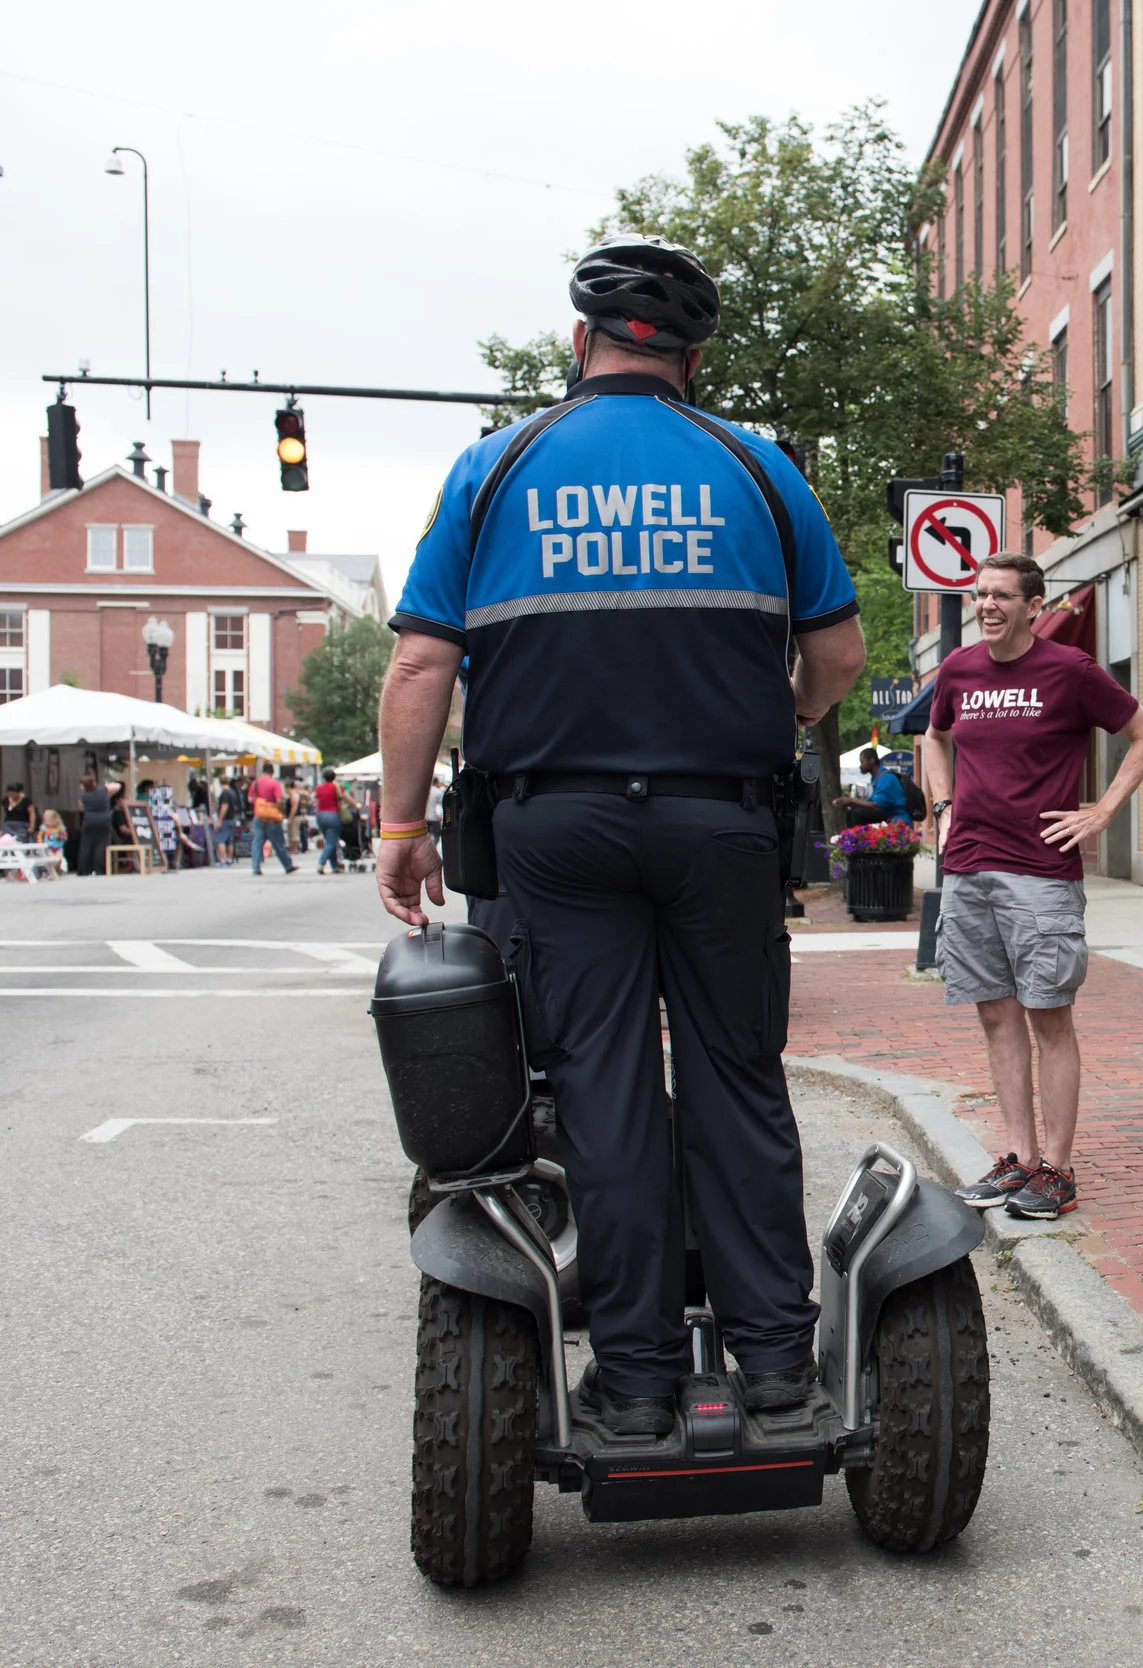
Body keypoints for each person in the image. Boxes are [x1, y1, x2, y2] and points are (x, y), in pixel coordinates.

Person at [376, 237, 866, 1441]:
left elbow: (421, 661)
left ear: (577, 345)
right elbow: (841, 656)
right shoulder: (757, 470)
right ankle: (775, 1366)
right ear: (692, 358)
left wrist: (399, 825)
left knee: (601, 1094)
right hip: (723, 821)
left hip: (556, 826)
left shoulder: (495, 469)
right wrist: (773, 717)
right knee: (737, 1084)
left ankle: (638, 1380)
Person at [923, 552, 1143, 1222]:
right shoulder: (958, 671)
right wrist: (942, 810)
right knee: (995, 1014)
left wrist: (1104, 811)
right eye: (980, 595)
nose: (988, 606)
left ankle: (1058, 1168)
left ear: (1035, 606)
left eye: (1001, 595)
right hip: (968, 867)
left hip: (1040, 874)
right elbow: (934, 739)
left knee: (1047, 1018)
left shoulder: (1070, 671)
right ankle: (1019, 1157)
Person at [831, 745, 914, 827]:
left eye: (862, 762)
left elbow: (877, 806)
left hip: (897, 817)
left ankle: (857, 838)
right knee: (852, 813)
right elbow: (870, 802)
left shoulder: (886, 778)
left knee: (857, 814)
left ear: (872, 761)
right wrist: (849, 803)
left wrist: (852, 800)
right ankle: (853, 838)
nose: (860, 766)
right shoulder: (876, 778)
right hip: (887, 815)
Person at [247, 761, 294, 875]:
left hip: (259, 816)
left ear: (263, 771)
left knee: (257, 842)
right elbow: (279, 800)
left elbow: (250, 799)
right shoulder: (274, 783)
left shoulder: (255, 783)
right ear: (272, 772)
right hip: (272, 818)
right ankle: (287, 865)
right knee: (278, 842)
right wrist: (279, 810)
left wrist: (261, 804)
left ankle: (256, 867)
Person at [74, 773, 113, 876]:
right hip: (104, 820)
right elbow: (117, 786)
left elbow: (81, 808)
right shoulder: (102, 791)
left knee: (86, 845)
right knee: (101, 845)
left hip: (89, 820)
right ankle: (100, 869)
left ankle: (83, 869)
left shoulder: (83, 797)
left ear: (85, 786)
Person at [313, 767, 345, 873]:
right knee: (331, 842)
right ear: (334, 777)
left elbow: (315, 800)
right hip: (333, 815)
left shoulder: (319, 788)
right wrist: (356, 806)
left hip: (320, 815)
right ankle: (321, 863)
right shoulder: (337, 787)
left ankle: (334, 865)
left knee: (329, 841)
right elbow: (346, 798)